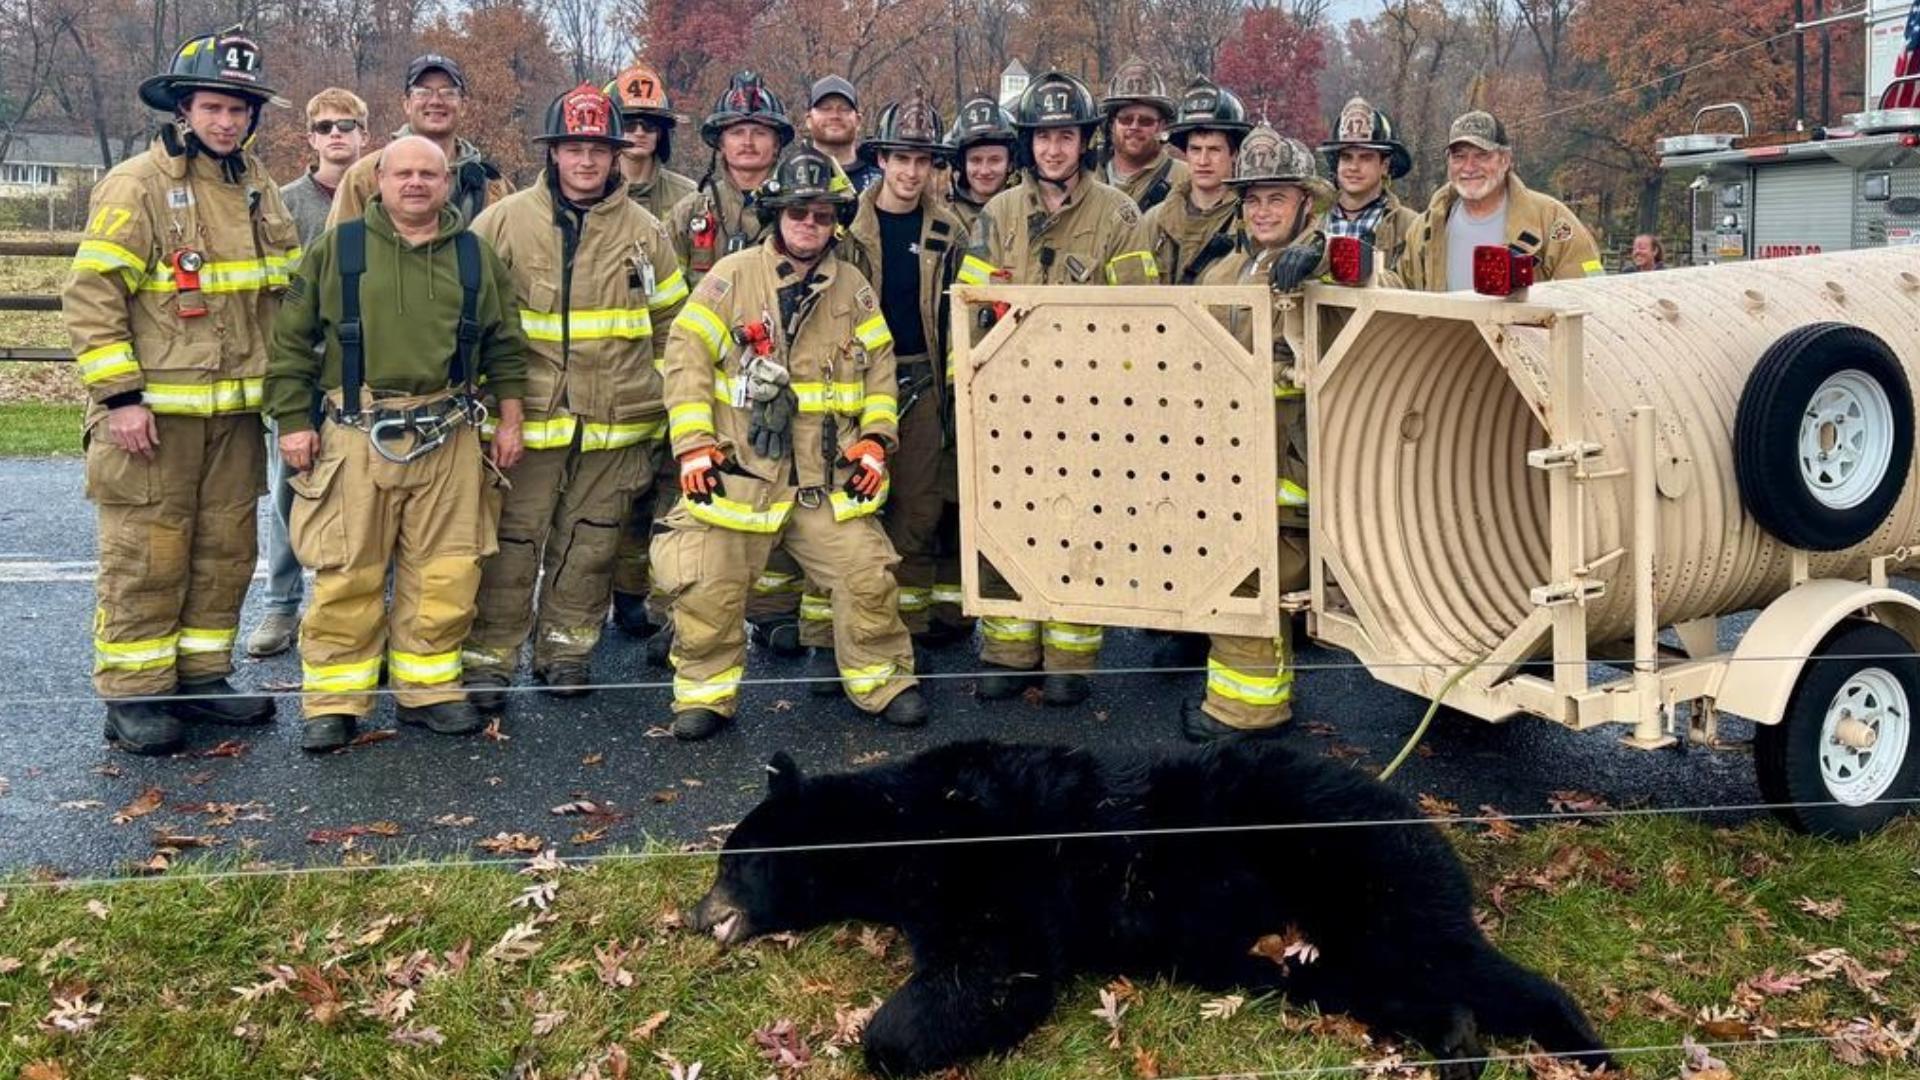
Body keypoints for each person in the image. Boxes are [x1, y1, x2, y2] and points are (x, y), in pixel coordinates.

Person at [65, 26, 302, 755]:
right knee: (148, 553)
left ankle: (200, 677)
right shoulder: (136, 184)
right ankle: (135, 694)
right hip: (154, 417)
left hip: (234, 416)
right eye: (213, 107)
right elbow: (92, 295)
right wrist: (120, 399)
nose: (226, 121)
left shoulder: (257, 187)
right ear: (183, 110)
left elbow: (285, 294)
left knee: (223, 552)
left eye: (238, 109)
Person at [652, 141, 927, 740]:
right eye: (798, 212)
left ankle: (881, 681)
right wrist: (694, 444)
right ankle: (704, 695)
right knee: (708, 585)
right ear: (776, 215)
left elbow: (880, 370)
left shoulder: (851, 287)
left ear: (836, 223)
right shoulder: (731, 277)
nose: (809, 224)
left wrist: (875, 440)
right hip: (740, 473)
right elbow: (685, 357)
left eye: (823, 215)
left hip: (823, 480)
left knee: (868, 574)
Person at [265, 135, 529, 751]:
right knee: (347, 570)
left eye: (428, 175)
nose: (415, 183)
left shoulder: (475, 256)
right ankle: (334, 701)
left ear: (447, 183)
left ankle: (428, 690)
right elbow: (291, 343)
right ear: (378, 181)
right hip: (357, 431)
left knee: (446, 571)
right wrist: (294, 423)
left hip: (450, 432)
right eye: (402, 173)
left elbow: (506, 346)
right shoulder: (338, 249)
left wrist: (510, 420)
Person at [461, 84, 686, 708]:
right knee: (510, 544)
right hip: (524, 425)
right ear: (553, 152)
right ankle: (489, 660)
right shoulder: (502, 223)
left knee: (592, 543)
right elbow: (468, 322)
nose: (586, 160)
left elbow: (673, 326)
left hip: (617, 427)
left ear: (616, 155)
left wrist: (658, 398)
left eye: (598, 148)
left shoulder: (646, 233)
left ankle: (565, 653)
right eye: (573, 147)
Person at [967, 69, 1158, 708]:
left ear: (1085, 141)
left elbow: (1141, 316)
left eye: (1066, 136)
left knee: (1080, 524)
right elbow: (967, 309)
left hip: (1087, 405)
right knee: (1005, 519)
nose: (1054, 149)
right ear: (1029, 143)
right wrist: (968, 394)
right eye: (1043, 137)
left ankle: (1071, 654)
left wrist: (1121, 405)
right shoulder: (997, 214)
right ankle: (1008, 648)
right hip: (1006, 401)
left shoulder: (1120, 214)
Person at [1185, 126, 1333, 741]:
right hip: (1228, 456)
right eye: (1252, 199)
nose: (1263, 211)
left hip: (1292, 464)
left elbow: (1383, 300)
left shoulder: (1326, 266)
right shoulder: (1223, 270)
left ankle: (1248, 713)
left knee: (1252, 574)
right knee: (1235, 570)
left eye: (1277, 198)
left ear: (1306, 203)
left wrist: (1326, 257)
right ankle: (1243, 699)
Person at [666, 71, 807, 659]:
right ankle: (680, 615)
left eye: (760, 132)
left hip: (780, 382)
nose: (748, 142)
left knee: (781, 487)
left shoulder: (801, 208)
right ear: (719, 142)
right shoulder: (687, 216)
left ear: (777, 143)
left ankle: (773, 611)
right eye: (737, 131)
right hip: (709, 388)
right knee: (695, 503)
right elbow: (669, 313)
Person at [842, 89, 973, 655]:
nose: (911, 172)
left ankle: (908, 630)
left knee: (919, 507)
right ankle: (838, 632)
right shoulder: (845, 224)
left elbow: (965, 317)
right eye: (901, 158)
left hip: (923, 382)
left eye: (922, 160)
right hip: (854, 382)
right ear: (881, 159)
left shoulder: (950, 232)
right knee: (851, 501)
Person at [250, 86, 370, 660]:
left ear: (366, 135)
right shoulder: (283, 204)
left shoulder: (382, 196)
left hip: (363, 374)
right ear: (310, 138)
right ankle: (280, 605)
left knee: (364, 497)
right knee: (288, 492)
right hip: (302, 370)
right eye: (325, 127)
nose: (336, 135)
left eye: (347, 125)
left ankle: (361, 606)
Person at [1399, 110, 1603, 291]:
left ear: (1505, 160)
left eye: (1482, 156)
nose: (1469, 167)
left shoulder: (1551, 220)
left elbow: (1592, 291)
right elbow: (1401, 290)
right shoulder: (1425, 228)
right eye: (1459, 157)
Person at [326, 53, 513, 228]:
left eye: (448, 92)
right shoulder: (365, 177)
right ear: (407, 104)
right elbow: (338, 247)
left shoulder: (493, 184)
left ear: (464, 105)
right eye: (423, 92)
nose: (435, 101)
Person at [1141, 76, 1250, 285]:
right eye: (1195, 149)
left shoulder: (1251, 221)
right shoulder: (1155, 221)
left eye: (1214, 150)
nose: (1203, 160)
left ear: (1234, 154)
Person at [606, 61, 697, 221]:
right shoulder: (593, 192)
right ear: (613, 130)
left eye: (649, 126)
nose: (639, 133)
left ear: (660, 133)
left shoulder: (687, 195)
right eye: (629, 125)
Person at [1099, 55, 1185, 212]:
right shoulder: (1085, 174)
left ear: (1162, 127)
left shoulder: (1185, 179)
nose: (1134, 127)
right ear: (1112, 124)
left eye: (1146, 121)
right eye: (1126, 119)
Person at [942, 95, 1020, 234]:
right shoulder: (944, 224)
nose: (984, 171)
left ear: (1010, 164)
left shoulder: (1027, 216)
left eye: (995, 160)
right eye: (976, 160)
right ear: (962, 164)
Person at [806, 75, 881, 193]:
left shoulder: (881, 184)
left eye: (844, 109)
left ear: (858, 121)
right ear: (809, 120)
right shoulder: (788, 177)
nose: (835, 116)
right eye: (825, 108)